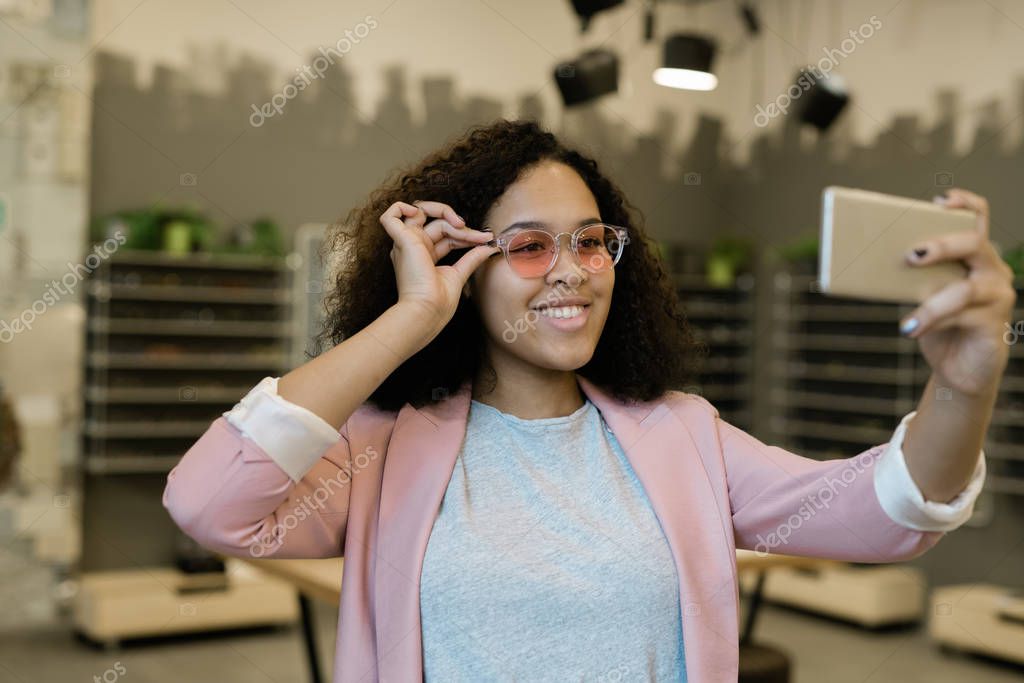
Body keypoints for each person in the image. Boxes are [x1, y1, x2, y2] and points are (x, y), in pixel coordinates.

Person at [163, 119, 1014, 682]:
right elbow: (210, 502)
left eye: (589, 241)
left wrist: (964, 382)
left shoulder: (684, 435)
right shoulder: (384, 450)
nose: (570, 269)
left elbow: (889, 509)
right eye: (529, 246)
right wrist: (412, 316)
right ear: (465, 264)